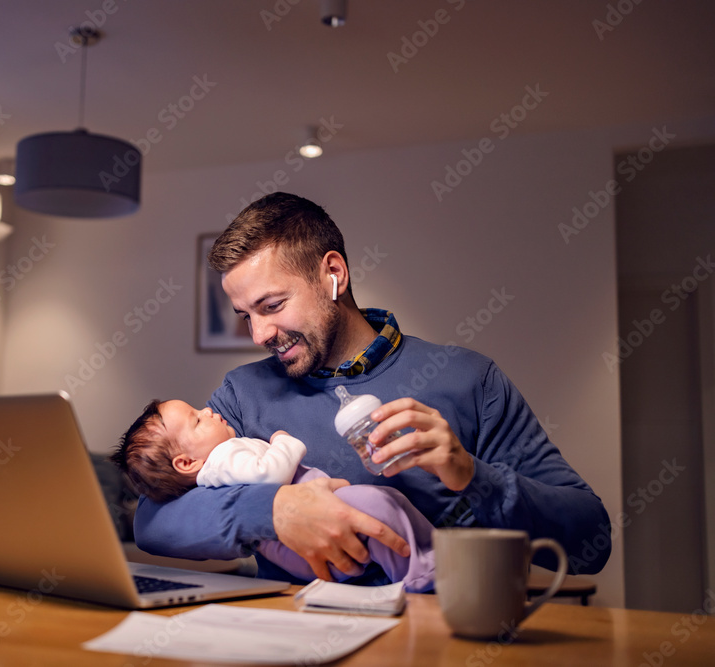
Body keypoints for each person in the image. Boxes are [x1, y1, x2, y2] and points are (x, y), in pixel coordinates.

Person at [133, 192, 611, 584]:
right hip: (292, 644)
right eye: (246, 316)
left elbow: (591, 539)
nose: (258, 336)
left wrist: (471, 475)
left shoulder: (470, 380)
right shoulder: (244, 394)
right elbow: (152, 522)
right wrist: (273, 509)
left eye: (272, 305)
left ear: (333, 274)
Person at [111, 399, 436, 591]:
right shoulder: (221, 459)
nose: (208, 409)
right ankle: (420, 577)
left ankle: (431, 563)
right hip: (299, 549)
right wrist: (283, 443)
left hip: (308, 549)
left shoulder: (218, 454)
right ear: (186, 463)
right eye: (197, 419)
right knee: (378, 506)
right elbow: (270, 474)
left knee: (386, 504)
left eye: (273, 305)